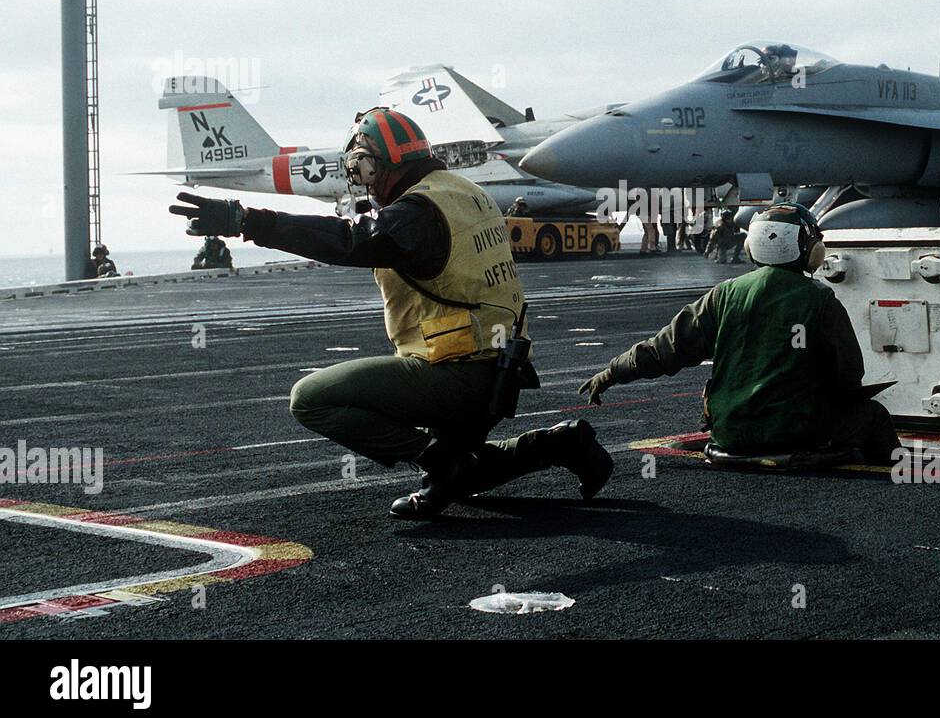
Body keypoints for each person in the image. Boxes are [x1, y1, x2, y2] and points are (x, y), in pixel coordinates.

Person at [169, 106, 614, 520]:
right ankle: (559, 443)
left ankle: (439, 461)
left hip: (454, 375)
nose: (362, 181)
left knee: (311, 398)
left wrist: (247, 221)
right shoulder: (464, 192)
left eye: (361, 169)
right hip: (501, 369)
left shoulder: (417, 211)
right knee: (469, 475)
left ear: (372, 164)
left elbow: (351, 240)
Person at [578, 203, 900, 464]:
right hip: (796, 435)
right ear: (810, 249)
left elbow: (666, 348)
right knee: (873, 416)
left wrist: (610, 373)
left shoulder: (724, 294)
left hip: (729, 435)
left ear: (751, 247)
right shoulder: (819, 300)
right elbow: (849, 374)